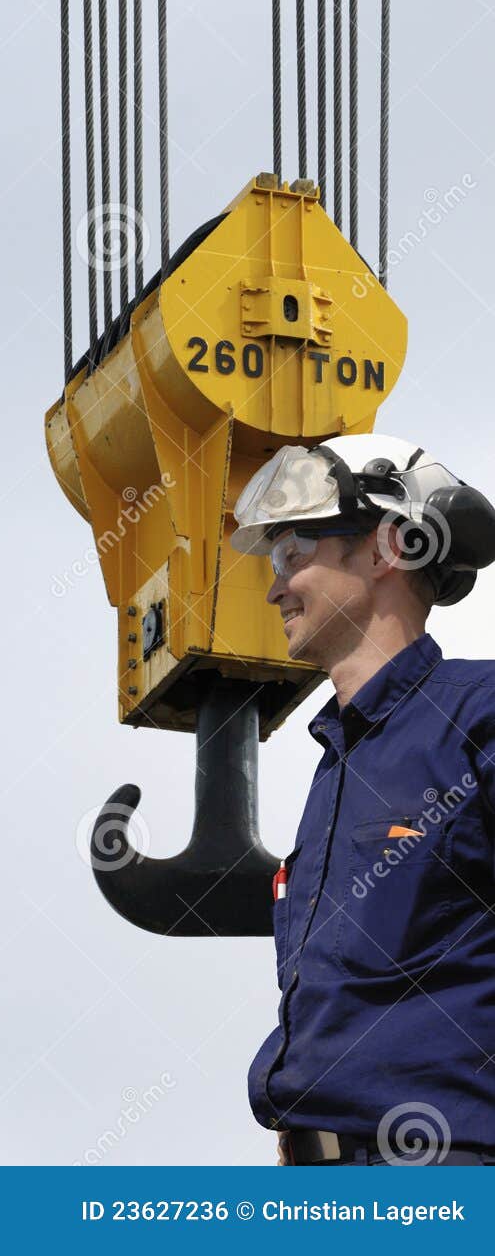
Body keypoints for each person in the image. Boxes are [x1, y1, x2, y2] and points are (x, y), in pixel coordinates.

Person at [231, 435, 495, 1167]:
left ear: (384, 549)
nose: (274, 586)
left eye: (293, 555)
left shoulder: (477, 715)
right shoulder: (338, 766)